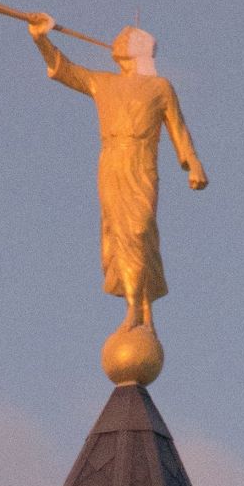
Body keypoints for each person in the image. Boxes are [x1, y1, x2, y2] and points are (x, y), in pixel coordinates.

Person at [29, 17, 206, 334]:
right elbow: (65, 69)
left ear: (140, 49)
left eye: (126, 38)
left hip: (140, 162)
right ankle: (135, 310)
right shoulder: (103, 83)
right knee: (120, 233)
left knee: (139, 230)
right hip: (112, 160)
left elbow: (179, 130)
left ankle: (143, 306)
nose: (118, 40)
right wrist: (41, 38)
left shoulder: (159, 87)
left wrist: (193, 163)